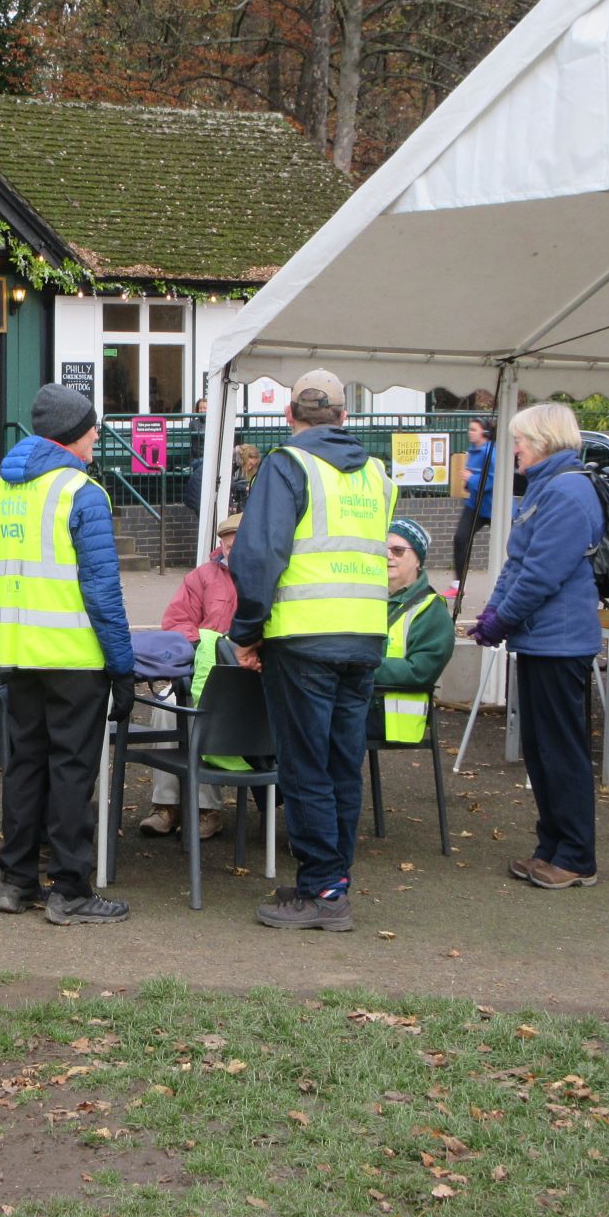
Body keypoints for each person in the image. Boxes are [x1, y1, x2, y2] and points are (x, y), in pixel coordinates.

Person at [227, 368, 395, 931]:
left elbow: (258, 555)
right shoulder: (377, 473)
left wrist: (247, 631)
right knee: (343, 764)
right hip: (364, 637)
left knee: (305, 768)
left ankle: (322, 890)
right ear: (345, 417)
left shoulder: (287, 464)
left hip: (303, 639)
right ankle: (333, 880)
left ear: (289, 415)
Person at [0, 381, 136, 925]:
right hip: (75, 658)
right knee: (72, 771)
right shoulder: (81, 492)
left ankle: (16, 881)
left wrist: (13, 631)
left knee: (24, 766)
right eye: (92, 429)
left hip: (20, 654)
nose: (96, 436)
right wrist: (122, 667)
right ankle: (69, 888)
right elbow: (102, 592)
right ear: (72, 434)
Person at [469, 403, 603, 890]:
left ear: (544, 441)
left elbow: (541, 575)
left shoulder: (566, 492)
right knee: (542, 749)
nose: (516, 449)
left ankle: (576, 855)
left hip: (560, 642)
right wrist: (494, 613)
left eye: (521, 440)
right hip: (543, 639)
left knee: (560, 750)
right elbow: (518, 564)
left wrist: (501, 619)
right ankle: (552, 847)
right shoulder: (549, 488)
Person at [137, 512, 243, 841]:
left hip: (250, 679)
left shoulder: (272, 574)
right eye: (228, 545)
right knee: (167, 704)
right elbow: (176, 623)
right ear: (221, 546)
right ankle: (166, 805)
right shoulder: (202, 577)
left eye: (240, 543)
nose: (234, 550)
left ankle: (206, 809)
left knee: (206, 710)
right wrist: (206, 644)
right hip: (203, 671)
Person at [372, 518, 456, 747]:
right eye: (383, 549)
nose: (388, 556)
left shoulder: (431, 610)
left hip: (387, 716)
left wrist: (362, 666)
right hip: (360, 701)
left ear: (418, 560)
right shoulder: (369, 599)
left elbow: (421, 671)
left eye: (398, 551)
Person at [453, 418, 495, 586]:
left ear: (485, 432)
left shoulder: (491, 453)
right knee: (460, 538)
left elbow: (492, 480)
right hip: (474, 504)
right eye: (469, 429)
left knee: (511, 542)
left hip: (494, 506)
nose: (469, 433)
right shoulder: (472, 451)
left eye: (473, 430)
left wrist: (471, 479)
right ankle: (458, 584)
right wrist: (468, 481)